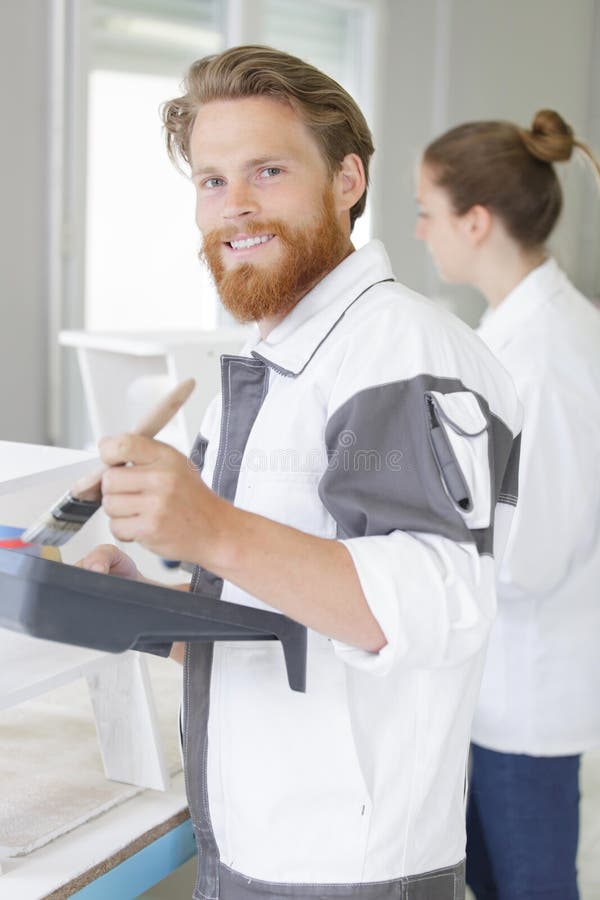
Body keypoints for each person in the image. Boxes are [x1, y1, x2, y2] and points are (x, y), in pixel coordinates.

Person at [79, 46, 521, 900]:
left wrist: (212, 528)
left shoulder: (402, 351)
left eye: (268, 171)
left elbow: (438, 603)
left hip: (349, 876)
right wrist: (148, 613)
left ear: (348, 180)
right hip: (253, 852)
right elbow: (284, 615)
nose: (234, 205)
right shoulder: (273, 363)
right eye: (212, 180)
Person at [415, 109, 600, 900]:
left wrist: (427, 529)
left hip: (527, 694)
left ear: (476, 220)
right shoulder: (515, 329)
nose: (419, 231)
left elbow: (532, 557)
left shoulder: (548, 357)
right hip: (495, 687)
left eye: (427, 211)